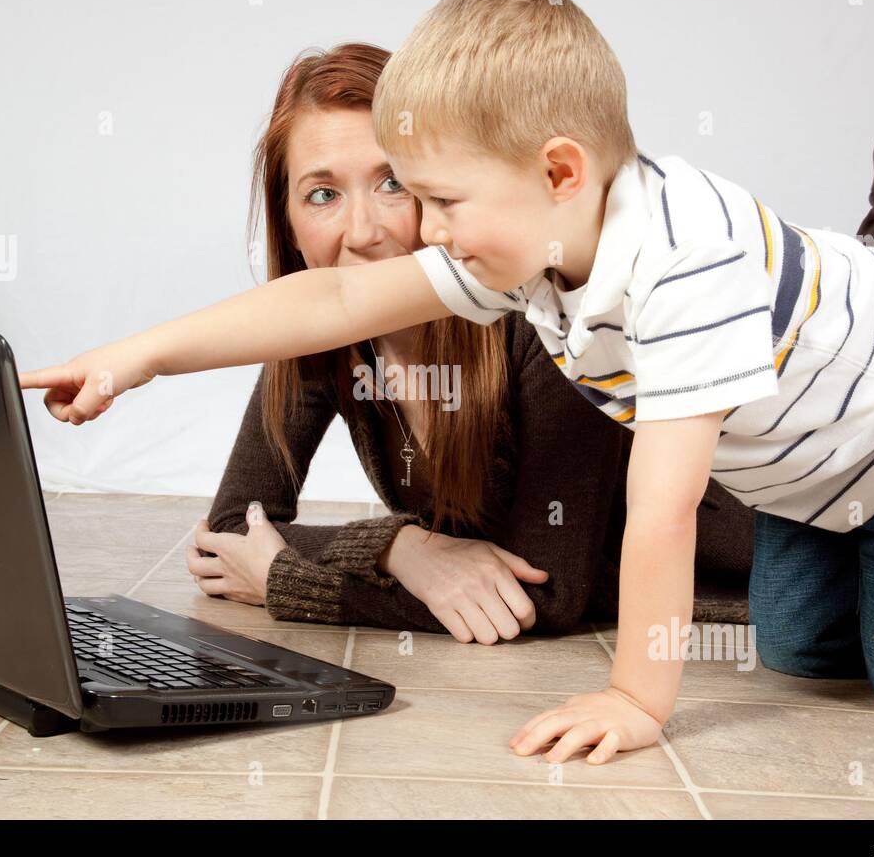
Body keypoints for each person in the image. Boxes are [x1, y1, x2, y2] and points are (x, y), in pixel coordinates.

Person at [21, 0, 874, 765]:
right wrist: (138, 353)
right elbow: (330, 300)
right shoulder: (532, 246)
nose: (416, 230)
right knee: (801, 648)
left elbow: (661, 509)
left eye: (434, 198)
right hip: (820, 467)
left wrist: (638, 698)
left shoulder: (680, 268)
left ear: (558, 169)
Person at [185, 43, 755, 643]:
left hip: (783, 552)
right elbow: (232, 528)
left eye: (392, 184)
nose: (363, 233)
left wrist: (288, 581)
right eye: (322, 195)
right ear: (290, 222)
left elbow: (546, 591)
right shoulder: (318, 329)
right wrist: (403, 549)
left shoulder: (537, 309)